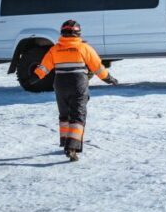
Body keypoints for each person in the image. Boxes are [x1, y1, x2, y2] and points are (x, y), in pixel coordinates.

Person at [33, 20, 118, 162]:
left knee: (64, 114)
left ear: (62, 33)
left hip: (60, 83)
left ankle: (66, 142)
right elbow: (97, 67)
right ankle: (72, 147)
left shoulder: (55, 49)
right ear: (78, 33)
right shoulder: (84, 47)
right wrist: (109, 79)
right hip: (78, 82)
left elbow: (44, 67)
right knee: (78, 115)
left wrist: (35, 77)